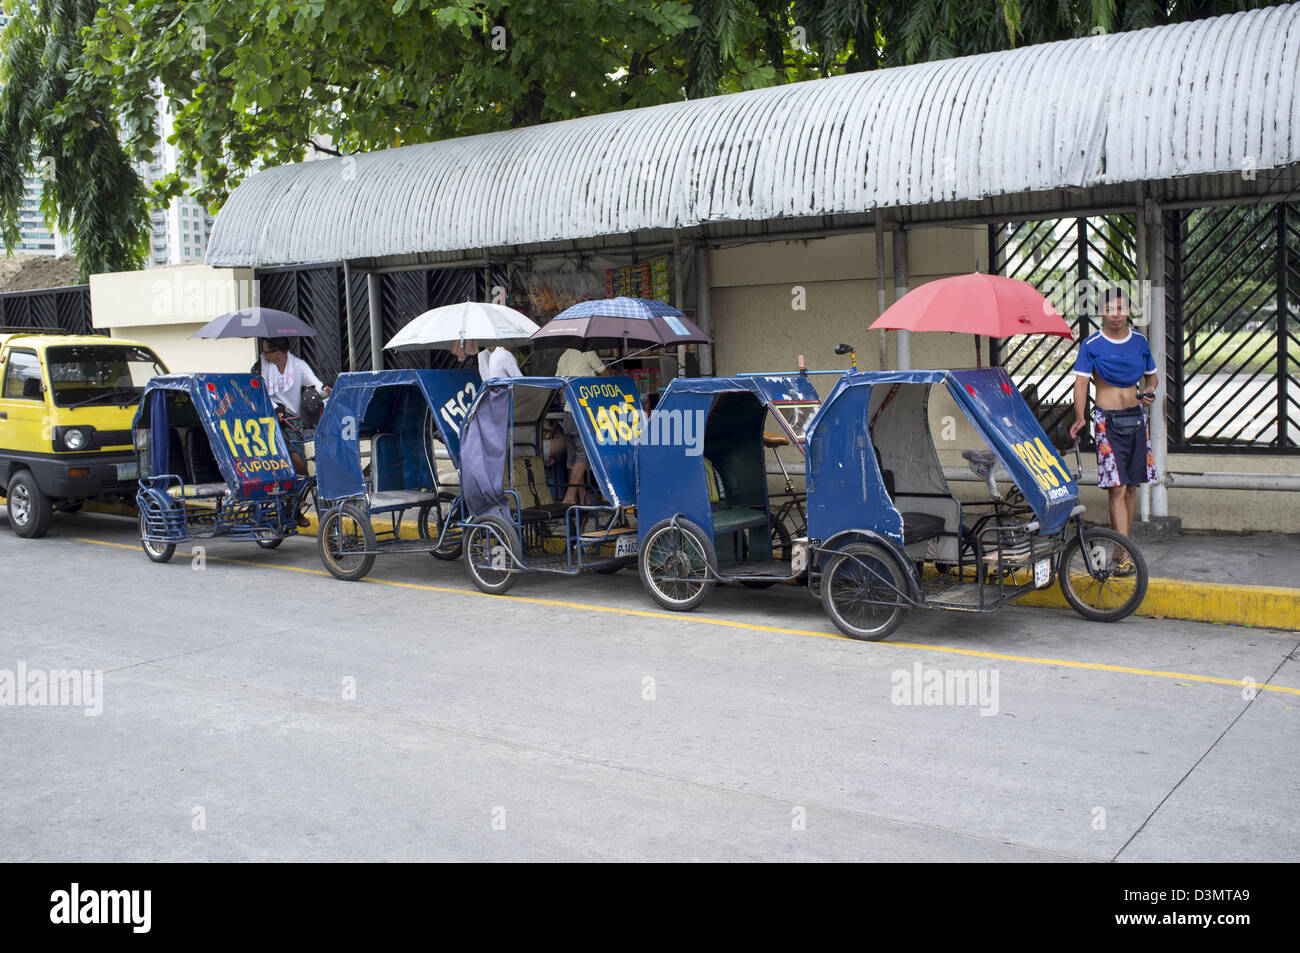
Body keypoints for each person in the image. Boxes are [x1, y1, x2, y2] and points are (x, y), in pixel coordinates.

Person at [1068, 286, 1158, 559]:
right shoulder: (1092, 345)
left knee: (1131, 487)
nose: (1115, 314)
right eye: (1109, 309)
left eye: (1120, 309)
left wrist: (1150, 391)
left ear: (1128, 311)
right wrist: (1080, 416)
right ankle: (1125, 552)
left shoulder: (1140, 342)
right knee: (1116, 487)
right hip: (1107, 422)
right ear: (1101, 312)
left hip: (1136, 419)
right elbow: (1081, 383)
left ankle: (1122, 550)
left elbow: (1151, 376)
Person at [258, 337, 330, 487]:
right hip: (269, 414)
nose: (263, 355)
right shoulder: (262, 367)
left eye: (266, 352)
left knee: (299, 457)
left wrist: (324, 391)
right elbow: (261, 391)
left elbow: (316, 385)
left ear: (277, 353)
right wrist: (276, 409)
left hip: (291, 417)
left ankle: (298, 488)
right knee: (283, 453)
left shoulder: (298, 366)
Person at [555, 348, 606, 505]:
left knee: (573, 458)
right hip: (583, 412)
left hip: (568, 413)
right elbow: (606, 375)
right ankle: (569, 497)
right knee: (583, 455)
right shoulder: (588, 353)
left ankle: (582, 497)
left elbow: (558, 388)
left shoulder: (563, 356)